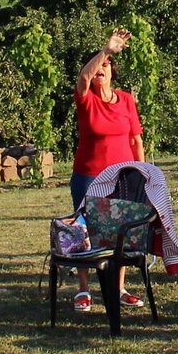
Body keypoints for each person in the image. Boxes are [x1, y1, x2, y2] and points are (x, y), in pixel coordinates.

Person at [69, 27, 145, 313]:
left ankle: (118, 287)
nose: (101, 69)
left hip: (122, 177)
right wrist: (105, 51)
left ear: (113, 72)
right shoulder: (86, 99)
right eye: (98, 65)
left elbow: (136, 139)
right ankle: (84, 289)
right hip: (89, 176)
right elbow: (82, 78)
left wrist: (143, 173)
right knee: (85, 230)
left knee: (119, 232)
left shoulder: (126, 100)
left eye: (107, 65)